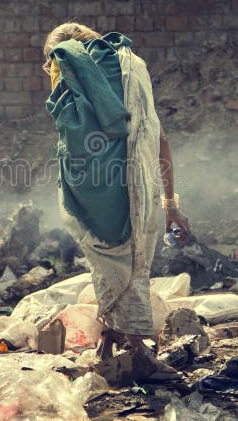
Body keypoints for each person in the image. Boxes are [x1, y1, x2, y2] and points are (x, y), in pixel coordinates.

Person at [43, 23, 191, 364]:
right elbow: (160, 139)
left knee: (109, 268)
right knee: (135, 267)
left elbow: (75, 148)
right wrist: (171, 205)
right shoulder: (131, 68)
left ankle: (136, 351)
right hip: (141, 194)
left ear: (63, 61)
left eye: (52, 66)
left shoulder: (72, 81)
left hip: (96, 202)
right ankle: (115, 342)